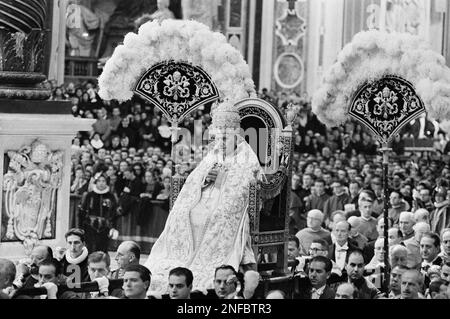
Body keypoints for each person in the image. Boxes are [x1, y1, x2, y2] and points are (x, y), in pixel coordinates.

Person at [144, 103, 262, 293]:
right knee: (181, 212)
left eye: (226, 137)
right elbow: (196, 179)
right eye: (219, 136)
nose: (222, 141)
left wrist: (223, 179)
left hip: (226, 202)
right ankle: (180, 259)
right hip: (204, 198)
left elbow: (248, 183)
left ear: (236, 135)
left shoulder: (246, 155)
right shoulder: (213, 153)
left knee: (217, 217)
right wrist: (206, 179)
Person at [79, 174, 117, 253]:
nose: (101, 183)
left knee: (103, 249)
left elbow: (114, 212)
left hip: (105, 227)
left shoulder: (110, 196)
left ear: (106, 182)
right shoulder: (89, 195)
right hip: (90, 226)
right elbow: (82, 212)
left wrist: (113, 227)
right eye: (99, 181)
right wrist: (81, 227)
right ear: (95, 182)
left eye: (103, 181)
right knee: (90, 248)